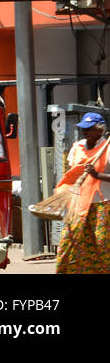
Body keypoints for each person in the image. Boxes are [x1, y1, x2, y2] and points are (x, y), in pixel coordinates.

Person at [56, 112, 110, 273]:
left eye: (89, 128)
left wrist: (97, 175)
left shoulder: (107, 148)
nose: (84, 131)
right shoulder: (77, 147)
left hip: (103, 205)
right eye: (83, 128)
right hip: (79, 204)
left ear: (100, 131)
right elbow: (70, 174)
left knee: (101, 244)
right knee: (70, 241)